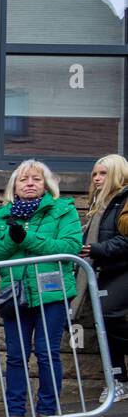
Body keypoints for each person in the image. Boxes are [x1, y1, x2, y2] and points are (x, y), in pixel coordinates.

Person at [0, 160, 81, 417]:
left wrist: (26, 237)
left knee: (47, 352)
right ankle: (16, 416)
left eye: (36, 179)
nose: (29, 183)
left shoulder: (64, 210)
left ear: (46, 185)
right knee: (16, 356)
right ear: (14, 186)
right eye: (23, 179)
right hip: (14, 291)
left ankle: (46, 415)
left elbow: (69, 247)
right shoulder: (2, 215)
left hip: (52, 291)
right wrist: (13, 240)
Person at [83, 157, 128, 404]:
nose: (97, 178)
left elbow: (126, 240)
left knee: (108, 315)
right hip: (108, 269)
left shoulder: (123, 199)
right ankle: (119, 380)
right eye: (95, 174)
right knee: (104, 323)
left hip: (122, 267)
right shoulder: (99, 204)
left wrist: (95, 249)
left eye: (103, 173)